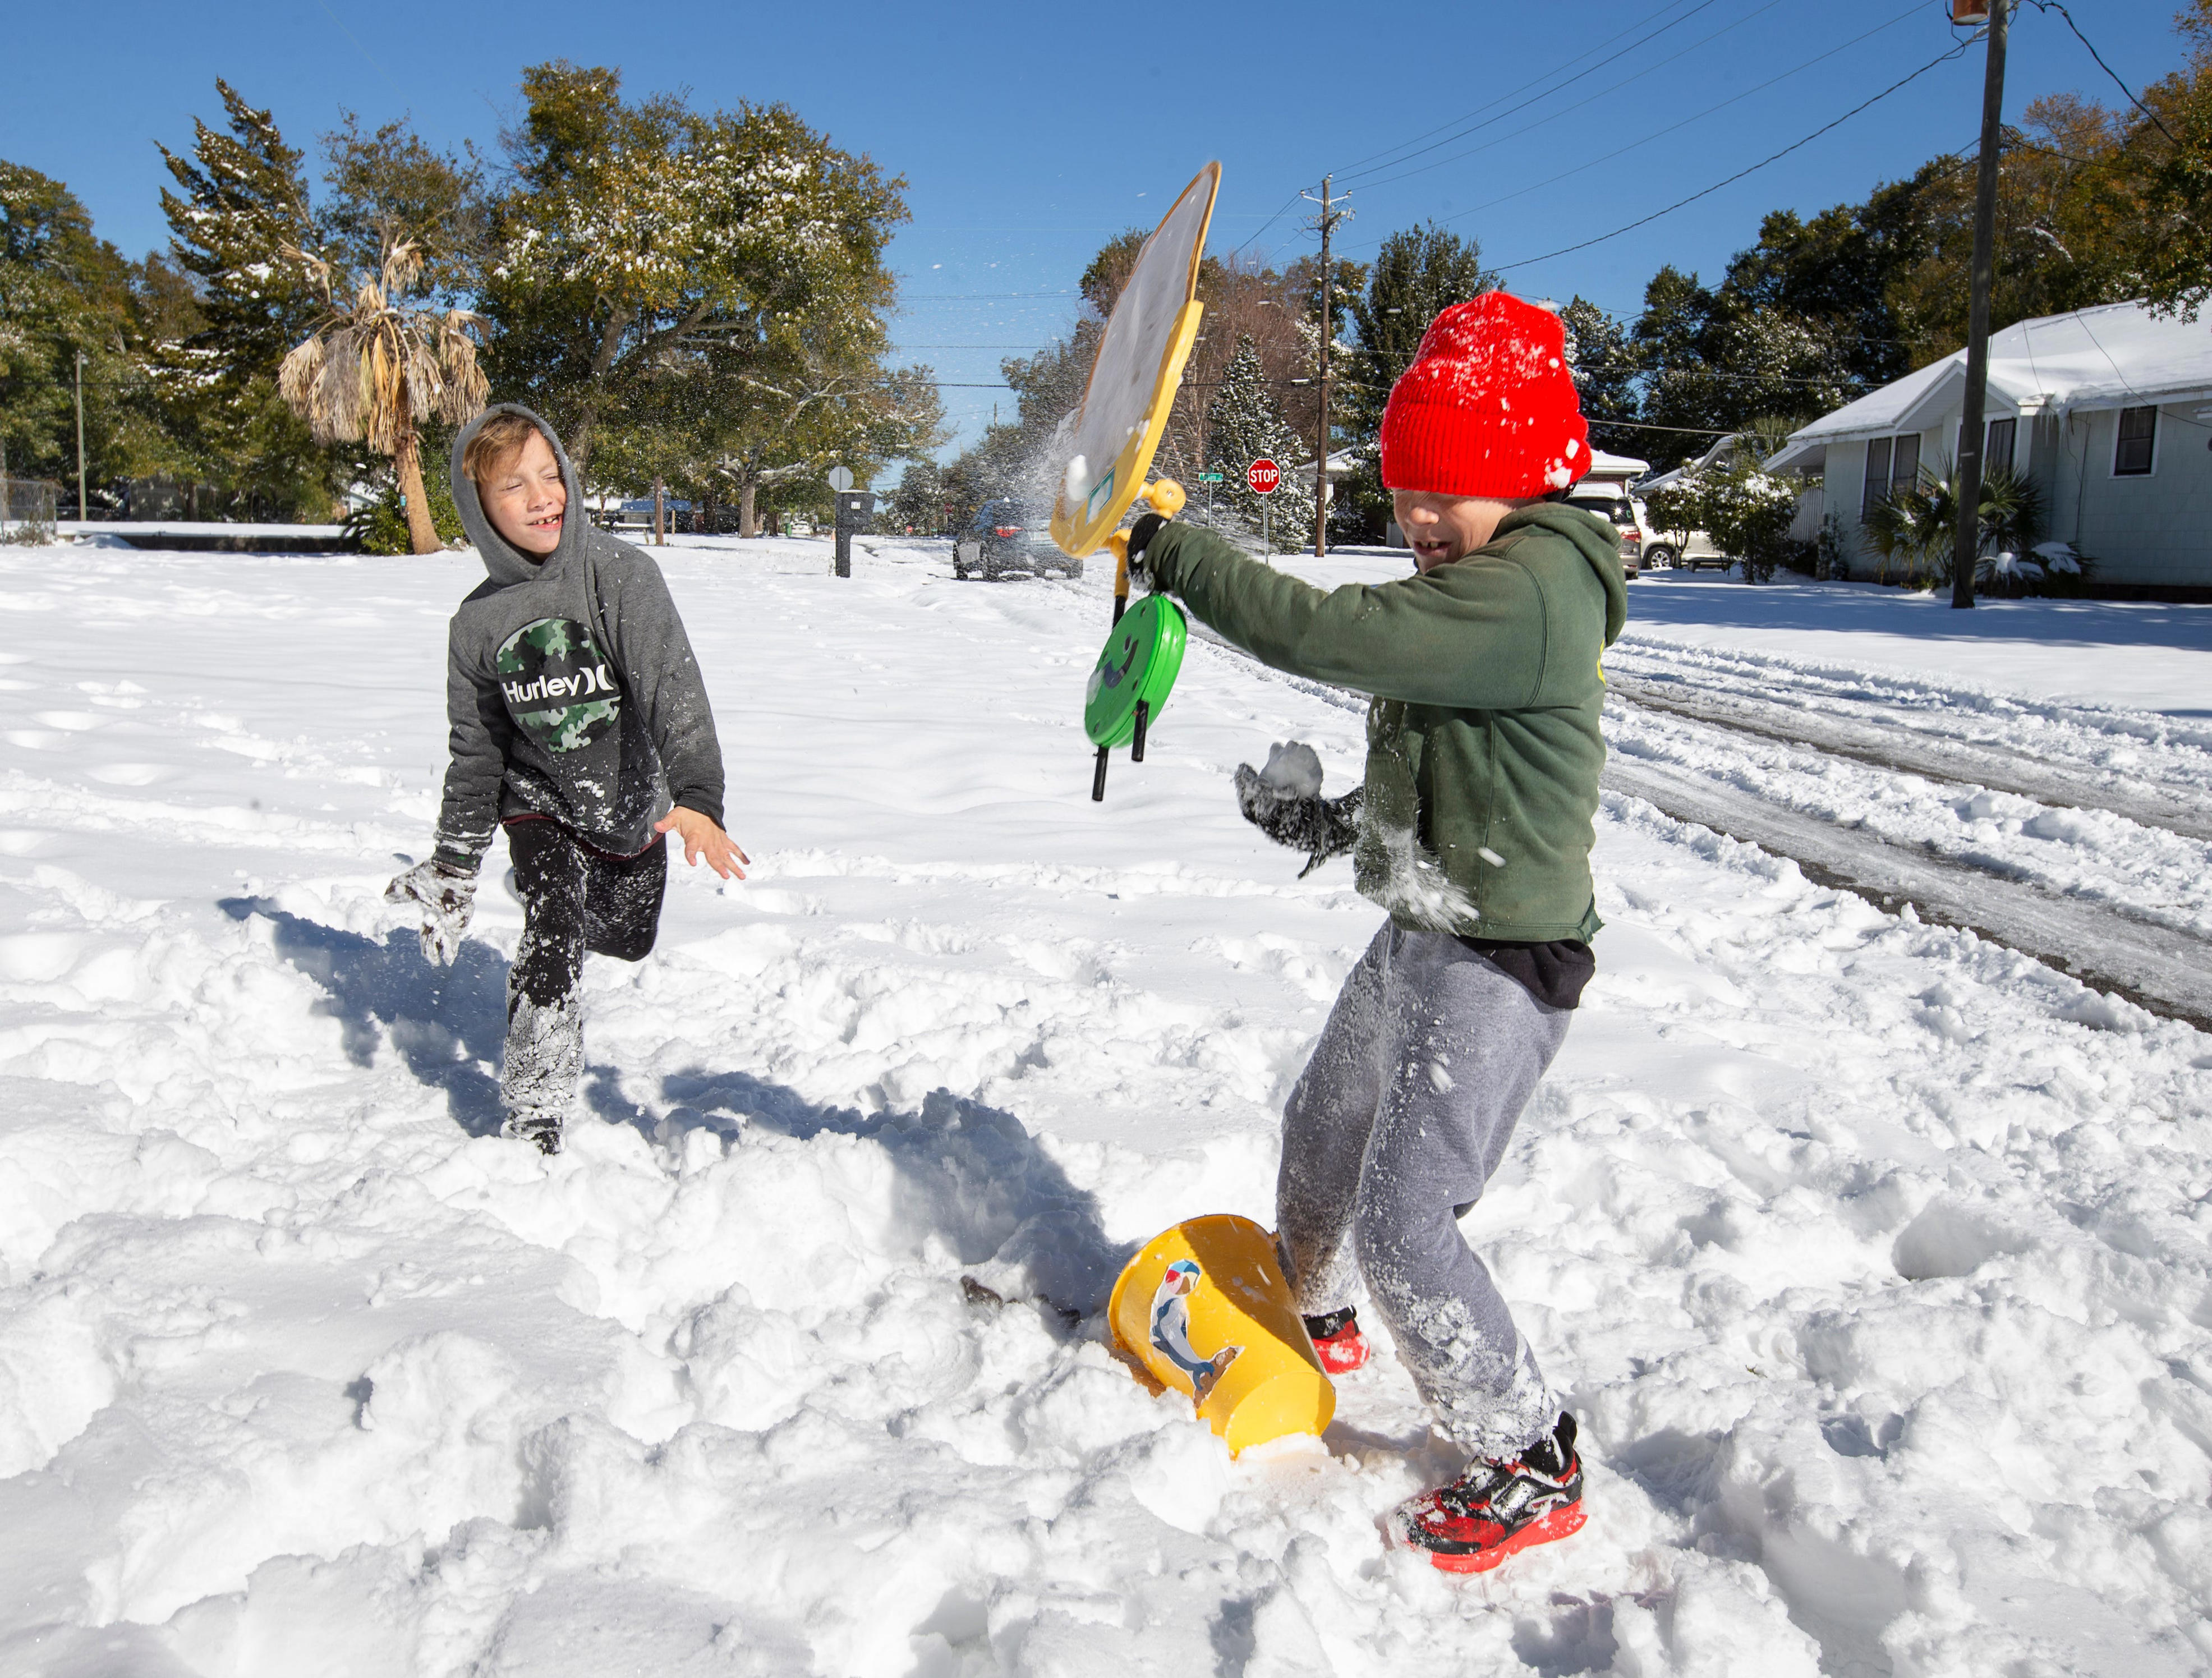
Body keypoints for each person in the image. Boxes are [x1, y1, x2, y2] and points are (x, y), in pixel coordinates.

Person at [1118, 292, 1627, 1573]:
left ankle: (1528, 1451)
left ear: (1522, 477)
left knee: (1407, 1218)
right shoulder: (1475, 580)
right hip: (1425, 926)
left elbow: (1334, 635)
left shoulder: (1532, 591)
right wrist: (1331, 823)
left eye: (1445, 492)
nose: (1418, 520)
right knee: (1324, 1125)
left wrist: (1183, 557)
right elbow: (1437, 781)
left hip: (1501, 960)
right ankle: (1315, 1312)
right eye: (1404, 493)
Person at [385, 406, 747, 1155]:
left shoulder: (619, 575)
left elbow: (672, 691)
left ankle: (567, 901)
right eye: (514, 485)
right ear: (478, 508)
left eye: (549, 475)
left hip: (632, 807)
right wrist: (453, 865)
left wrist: (697, 799)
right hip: (538, 802)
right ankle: (535, 1110)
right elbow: (477, 752)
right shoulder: (477, 625)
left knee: (624, 937)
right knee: (554, 927)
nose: (542, 496)